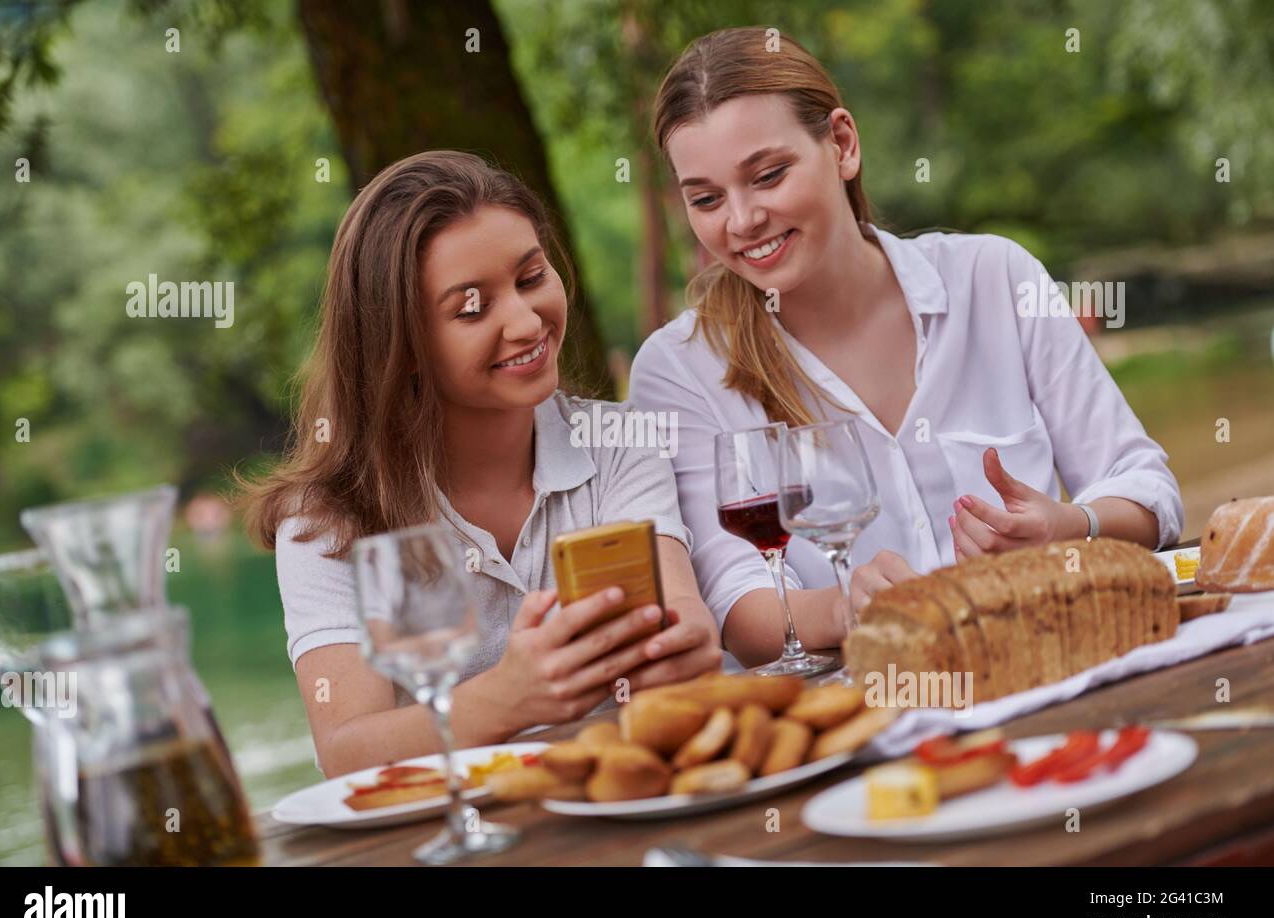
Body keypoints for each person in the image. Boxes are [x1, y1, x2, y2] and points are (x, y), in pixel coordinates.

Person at [629, 28, 1183, 670]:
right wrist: (846, 607)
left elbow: (1149, 493)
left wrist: (1069, 525)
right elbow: (735, 609)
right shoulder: (679, 369)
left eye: (769, 175)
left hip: (1053, 661)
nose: (743, 219)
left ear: (841, 144)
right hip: (877, 708)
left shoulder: (994, 278)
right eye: (706, 198)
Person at [239, 151, 720, 776]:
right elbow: (346, 753)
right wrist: (507, 697)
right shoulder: (327, 522)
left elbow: (678, 626)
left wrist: (681, 647)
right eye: (471, 308)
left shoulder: (621, 440)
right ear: (401, 345)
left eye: (530, 278)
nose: (526, 323)